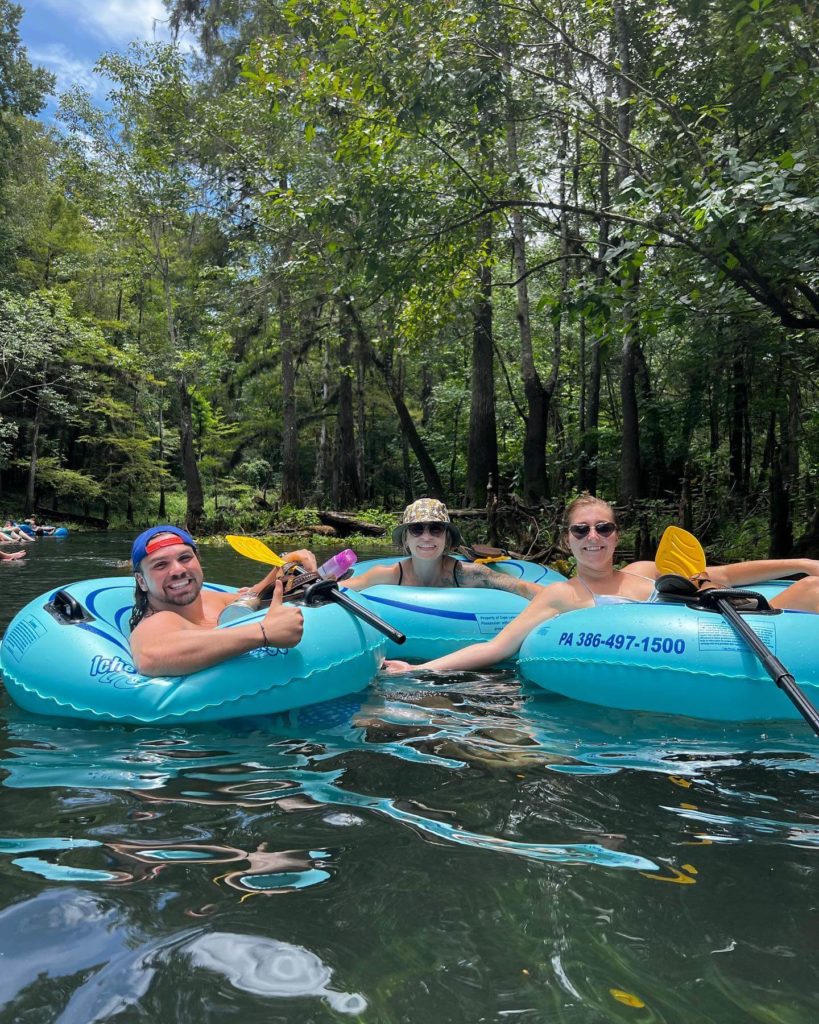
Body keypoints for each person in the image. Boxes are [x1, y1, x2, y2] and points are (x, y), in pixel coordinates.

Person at [383, 493, 819, 675]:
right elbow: (497, 647)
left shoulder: (648, 573)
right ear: (566, 540)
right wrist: (420, 670)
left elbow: (722, 575)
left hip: (734, 642)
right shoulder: (561, 596)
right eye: (581, 531)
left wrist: (801, 564)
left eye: (603, 529)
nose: (593, 538)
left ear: (616, 536)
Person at [128, 525, 318, 677]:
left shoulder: (211, 600)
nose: (177, 570)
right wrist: (263, 632)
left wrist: (285, 563)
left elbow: (253, 597)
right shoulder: (160, 620)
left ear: (198, 562)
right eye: (161, 565)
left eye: (185, 558)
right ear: (142, 581)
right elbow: (150, 656)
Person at [343, 498, 541, 599]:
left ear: (447, 538)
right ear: (406, 538)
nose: (426, 537)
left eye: (436, 529)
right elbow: (342, 587)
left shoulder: (469, 575)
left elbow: (520, 587)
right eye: (417, 529)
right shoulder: (387, 575)